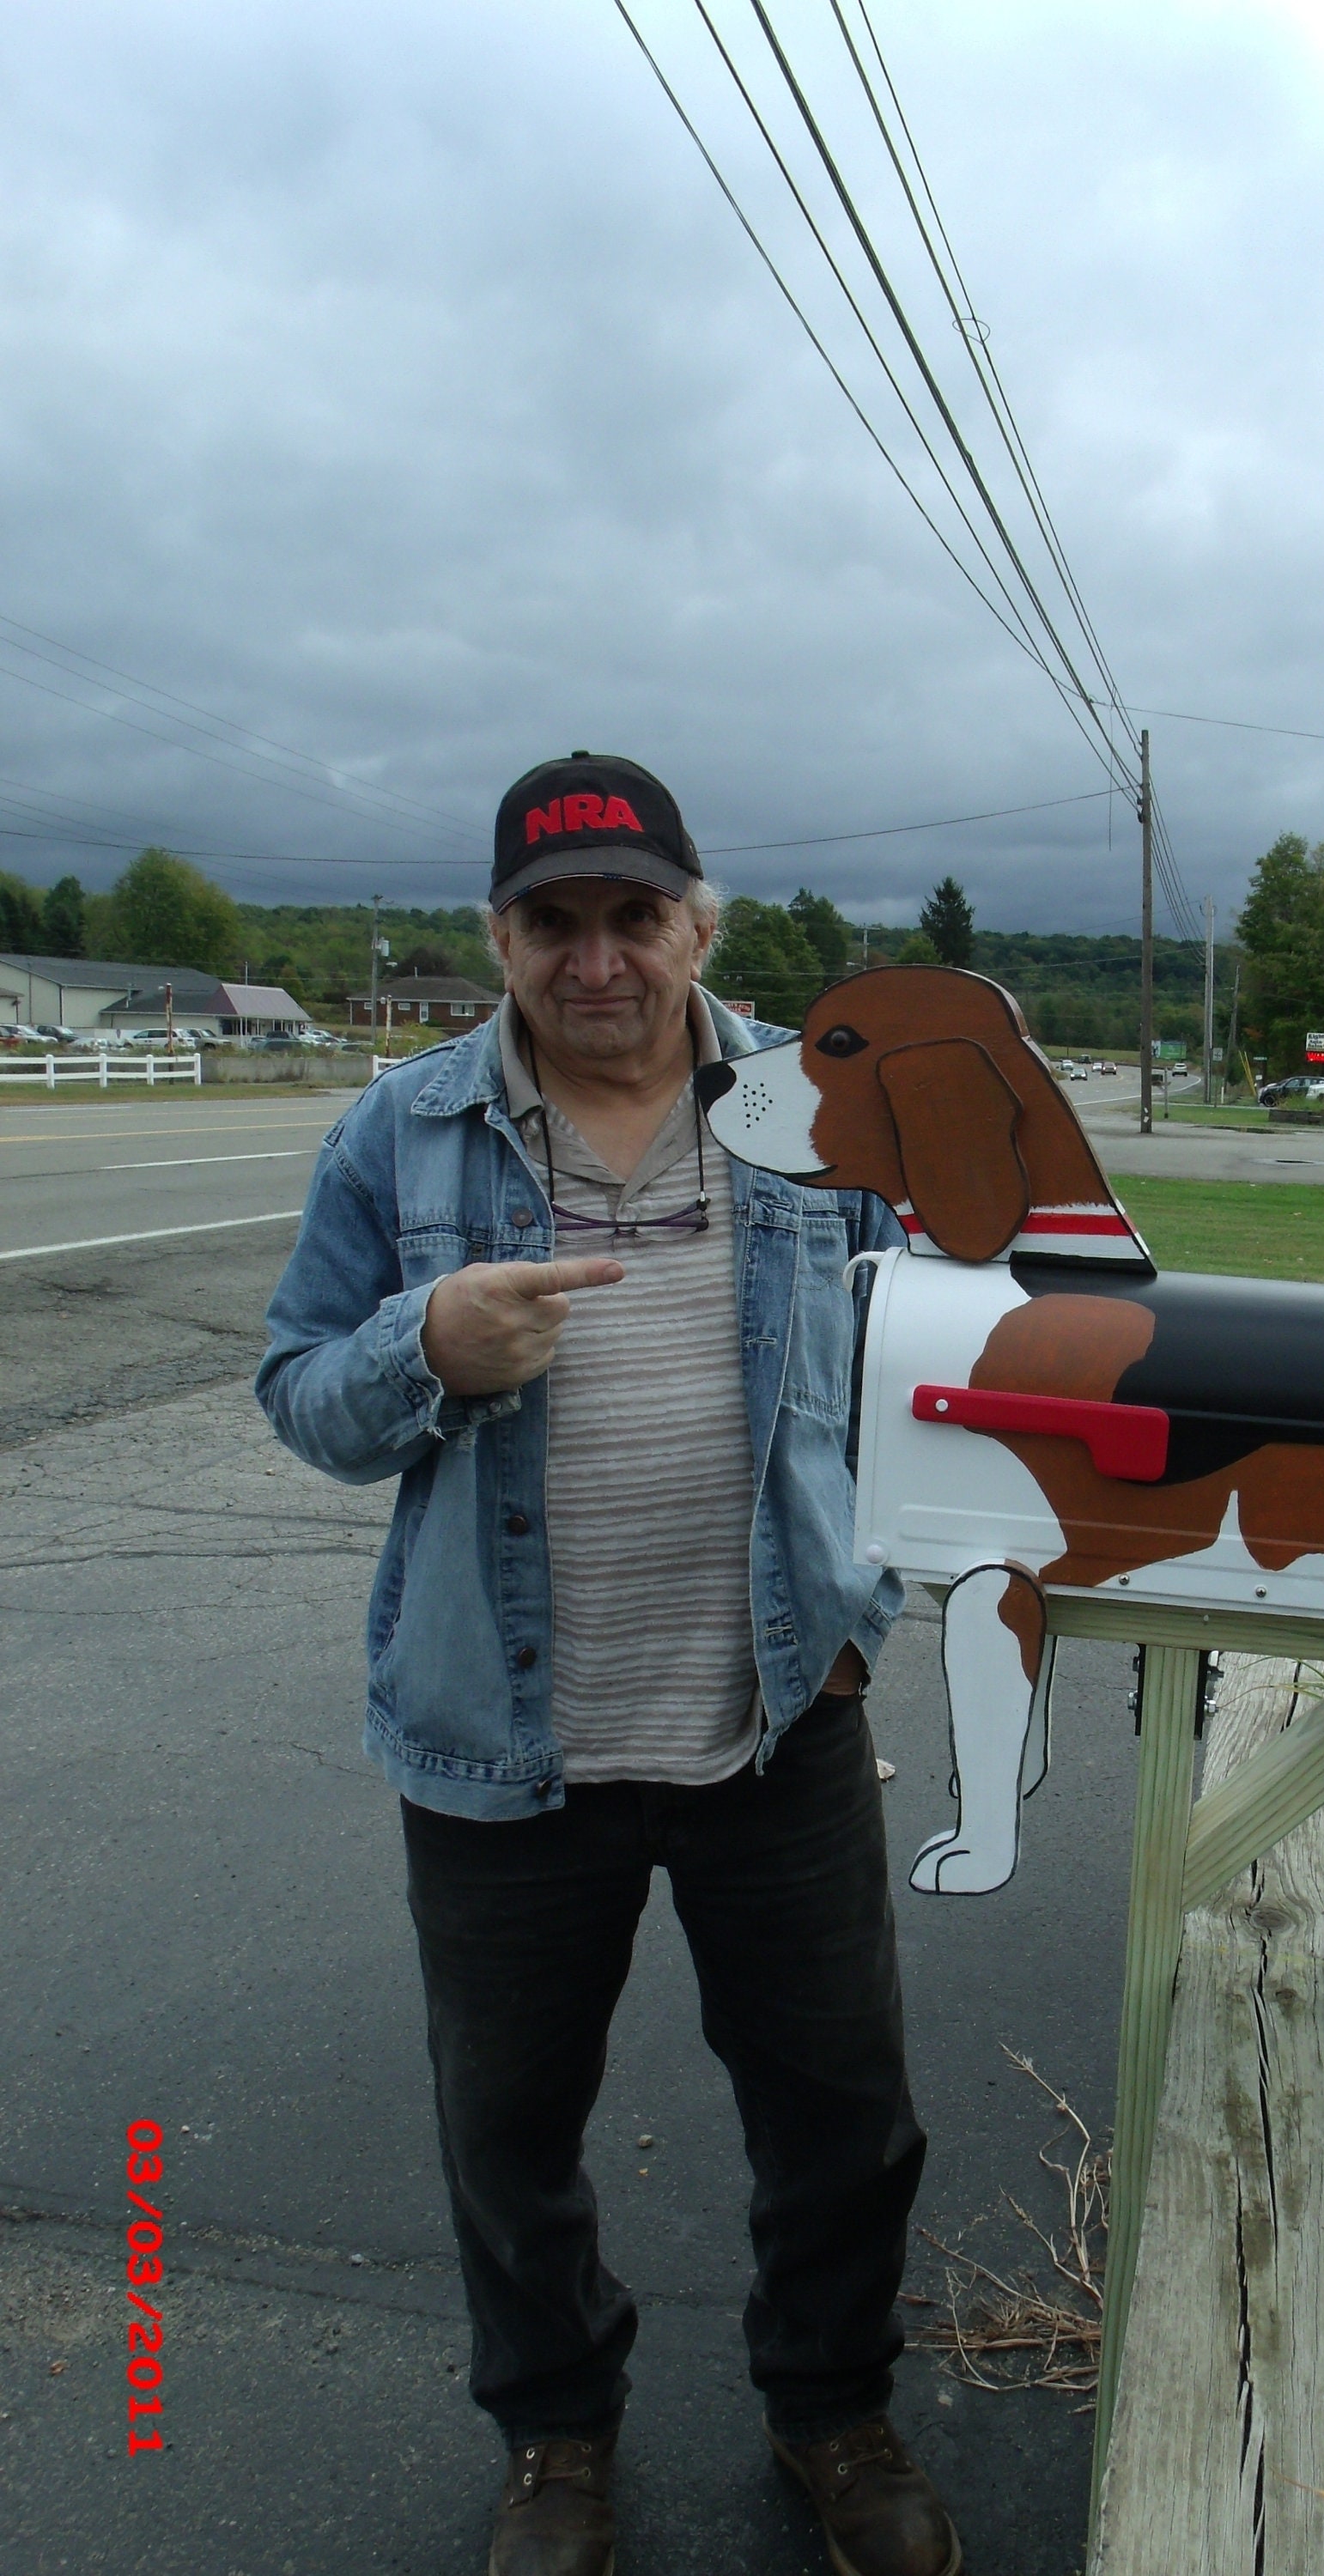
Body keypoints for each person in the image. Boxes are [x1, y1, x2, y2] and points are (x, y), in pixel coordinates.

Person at [258, 753, 959, 2576]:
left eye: (632, 915)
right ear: (499, 938)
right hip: (502, 1747)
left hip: (773, 1720)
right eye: (552, 921)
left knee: (841, 2117)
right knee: (510, 2133)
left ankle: (833, 2413)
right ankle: (557, 2439)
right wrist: (425, 1344)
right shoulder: (402, 1135)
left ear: (697, 924)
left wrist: (862, 1610)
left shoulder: (826, 1112)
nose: (595, 958)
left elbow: (953, 1354)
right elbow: (301, 1398)